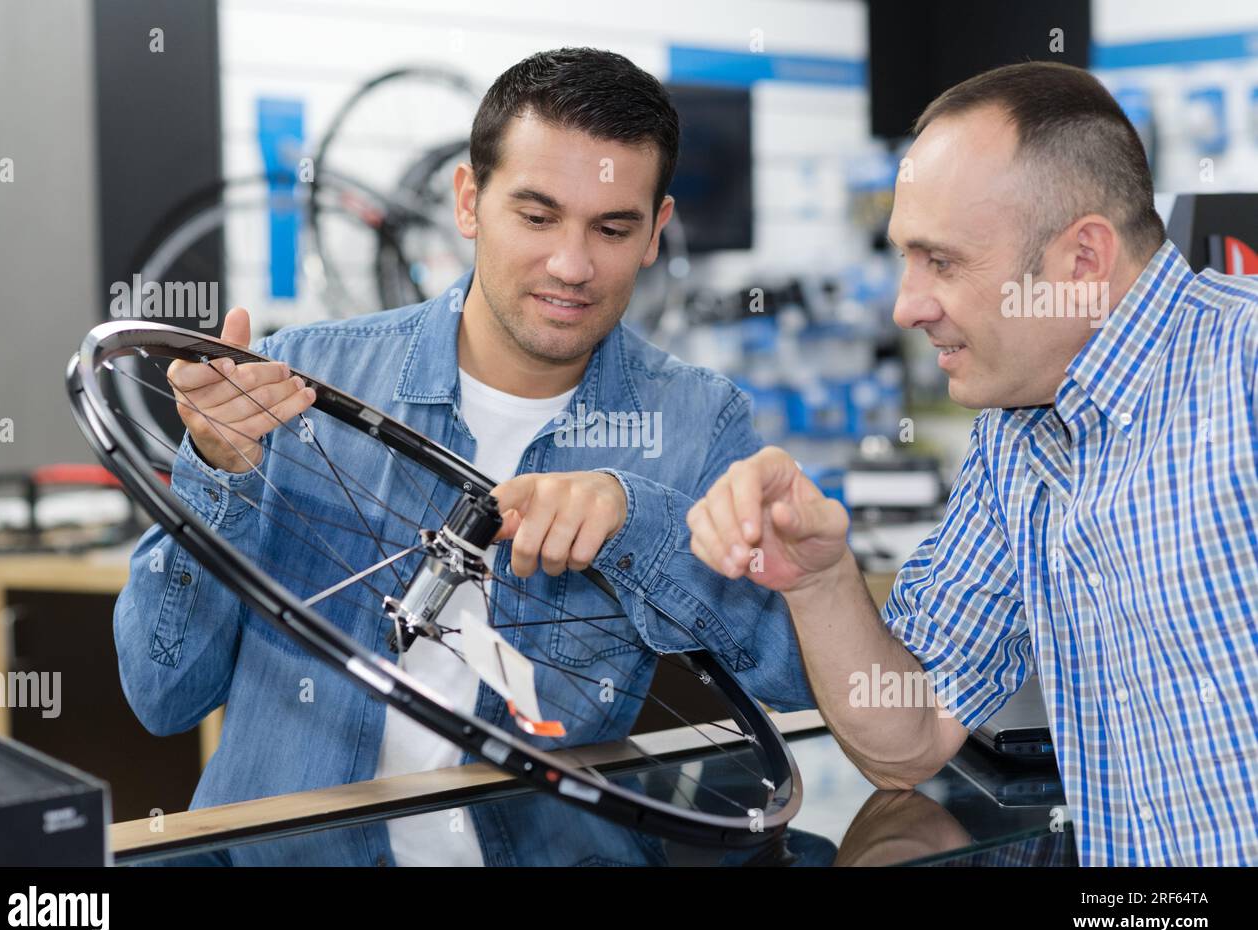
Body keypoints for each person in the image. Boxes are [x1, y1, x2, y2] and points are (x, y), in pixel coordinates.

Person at [113, 47, 812, 867]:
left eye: (612, 227)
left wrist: (639, 522)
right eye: (537, 215)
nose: (571, 266)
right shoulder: (298, 382)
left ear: (657, 232)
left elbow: (799, 681)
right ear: (469, 201)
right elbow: (161, 695)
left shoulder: (695, 423)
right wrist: (215, 476)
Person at [688, 61, 1258, 866]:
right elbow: (910, 736)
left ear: (1083, 263)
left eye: (943, 262)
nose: (906, 305)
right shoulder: (1014, 437)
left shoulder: (1244, 371)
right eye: (905, 260)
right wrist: (819, 577)